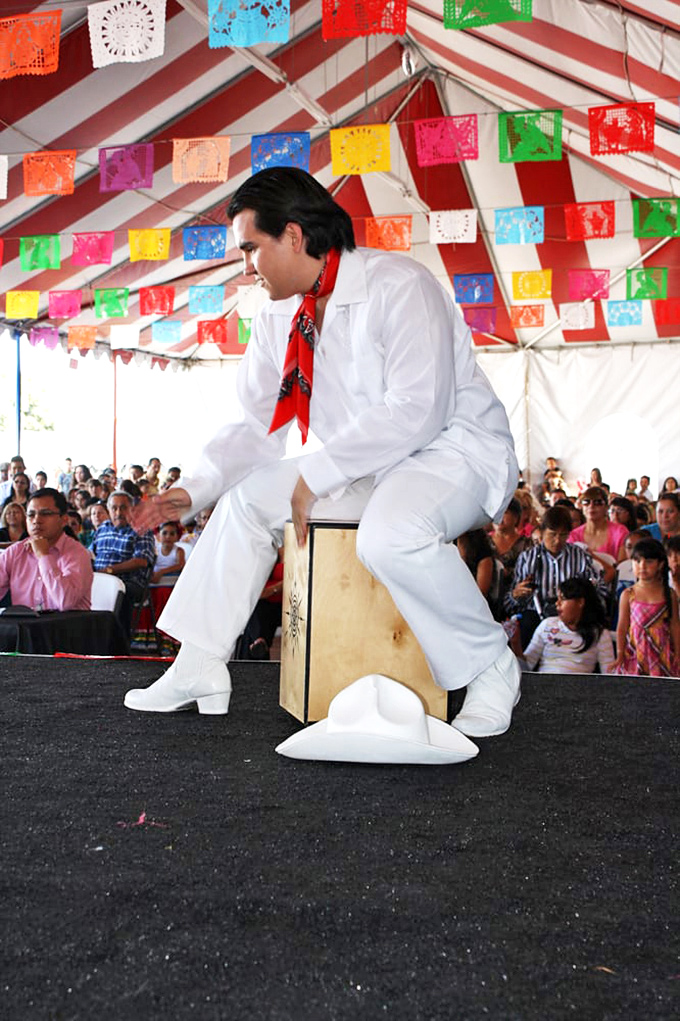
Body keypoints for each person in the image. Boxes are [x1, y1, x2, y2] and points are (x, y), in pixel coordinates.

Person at [123, 166, 521, 737]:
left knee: (392, 531)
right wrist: (195, 487)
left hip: (454, 452)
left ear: (292, 235)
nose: (244, 268)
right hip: (368, 465)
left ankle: (490, 666)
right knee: (246, 501)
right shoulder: (276, 315)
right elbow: (258, 424)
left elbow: (418, 409)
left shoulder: (399, 284)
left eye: (250, 249)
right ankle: (200, 664)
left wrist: (317, 474)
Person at [505, 505, 607, 646]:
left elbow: (600, 588)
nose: (558, 541)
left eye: (563, 535)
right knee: (525, 624)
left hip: (572, 616)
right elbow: (510, 603)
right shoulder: (528, 558)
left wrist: (586, 590)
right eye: (552, 534)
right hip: (537, 614)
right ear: (542, 532)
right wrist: (516, 595)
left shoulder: (578, 555)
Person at [0, 489, 93, 611]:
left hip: (67, 627)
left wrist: (44, 556)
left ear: (64, 520)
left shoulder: (77, 553)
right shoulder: (15, 552)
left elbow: (65, 602)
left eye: (45, 513)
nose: (36, 520)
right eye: (31, 515)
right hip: (25, 627)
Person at [513, 577, 614, 675]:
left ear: (580, 602)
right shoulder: (547, 625)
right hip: (544, 687)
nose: (557, 603)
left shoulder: (600, 634)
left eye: (563, 599)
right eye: (557, 599)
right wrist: (516, 643)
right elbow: (526, 667)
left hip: (579, 689)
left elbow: (609, 676)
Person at [612, 539, 680, 677]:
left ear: (660, 564)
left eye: (649, 562)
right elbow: (622, 626)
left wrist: (678, 652)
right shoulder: (628, 594)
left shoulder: (669, 593)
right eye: (637, 561)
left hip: (662, 651)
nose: (642, 566)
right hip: (637, 651)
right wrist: (620, 654)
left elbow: (674, 625)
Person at [92, 491, 156, 631]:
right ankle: (95, 639)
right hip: (100, 578)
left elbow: (141, 561)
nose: (118, 512)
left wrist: (110, 571)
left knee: (120, 593)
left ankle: (119, 643)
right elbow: (92, 554)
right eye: (114, 508)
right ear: (108, 510)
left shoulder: (141, 530)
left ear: (132, 510)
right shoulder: (102, 529)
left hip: (130, 581)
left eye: (123, 507)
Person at [151, 522, 185, 586]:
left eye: (172, 534)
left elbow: (180, 565)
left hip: (170, 584)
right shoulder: (155, 550)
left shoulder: (179, 551)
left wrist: (161, 572)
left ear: (177, 537)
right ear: (158, 535)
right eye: (164, 533)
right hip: (155, 583)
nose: (168, 536)